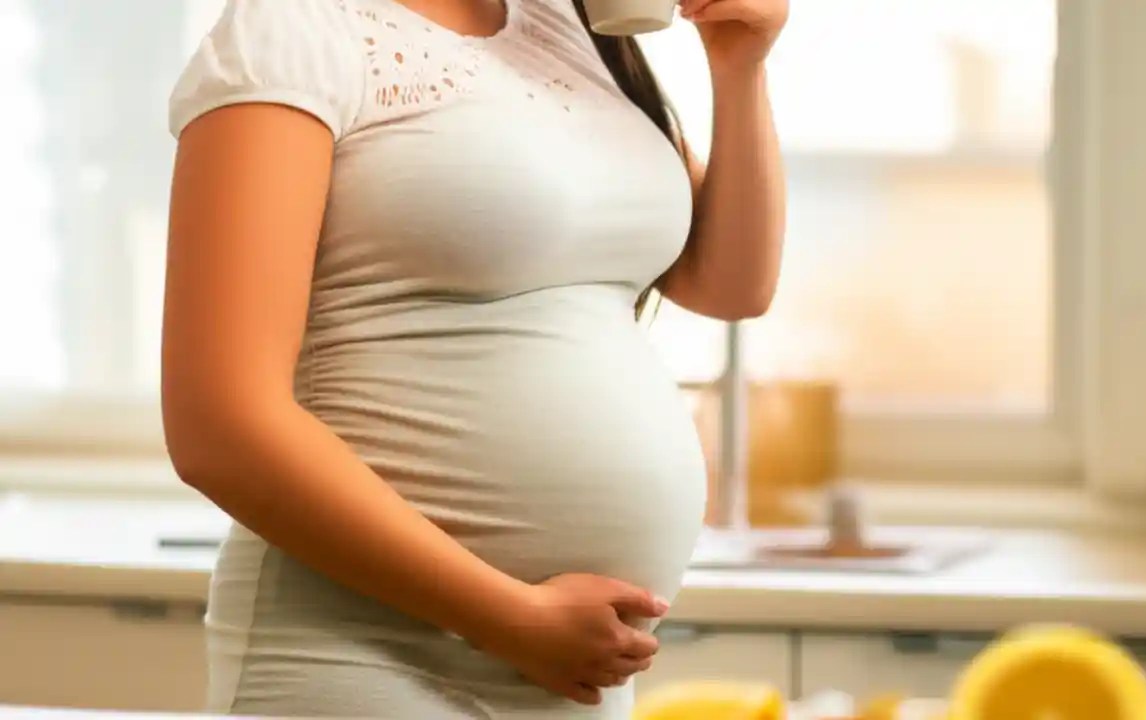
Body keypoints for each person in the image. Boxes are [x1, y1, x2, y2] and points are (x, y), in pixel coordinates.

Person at [162, 0, 786, 716]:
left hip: (568, 672)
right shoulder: (293, 30)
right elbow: (219, 425)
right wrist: (507, 618)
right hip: (358, 656)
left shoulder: (563, 23)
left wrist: (739, 65)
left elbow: (732, 283)